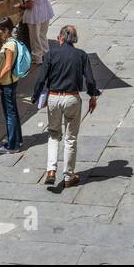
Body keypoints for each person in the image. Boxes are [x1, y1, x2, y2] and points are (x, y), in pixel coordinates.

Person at [30, 25, 100, 188]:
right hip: (72, 98)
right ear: (74, 39)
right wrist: (93, 95)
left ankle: (51, 170)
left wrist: (36, 96)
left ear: (60, 37)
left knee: (54, 134)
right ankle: (68, 176)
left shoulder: (50, 54)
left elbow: (41, 79)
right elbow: (89, 80)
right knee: (70, 138)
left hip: (54, 97)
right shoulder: (81, 55)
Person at [0, 18, 26, 155]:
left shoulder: (9, 46)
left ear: (6, 30)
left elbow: (7, 66)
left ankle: (12, 145)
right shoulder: (13, 42)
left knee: (9, 114)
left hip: (7, 82)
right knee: (13, 111)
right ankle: (17, 139)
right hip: (12, 80)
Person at [22, 0, 54, 66]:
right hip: (46, 11)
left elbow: (30, 5)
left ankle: (37, 58)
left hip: (35, 15)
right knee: (42, 35)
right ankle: (46, 53)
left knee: (35, 37)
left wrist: (20, 6)